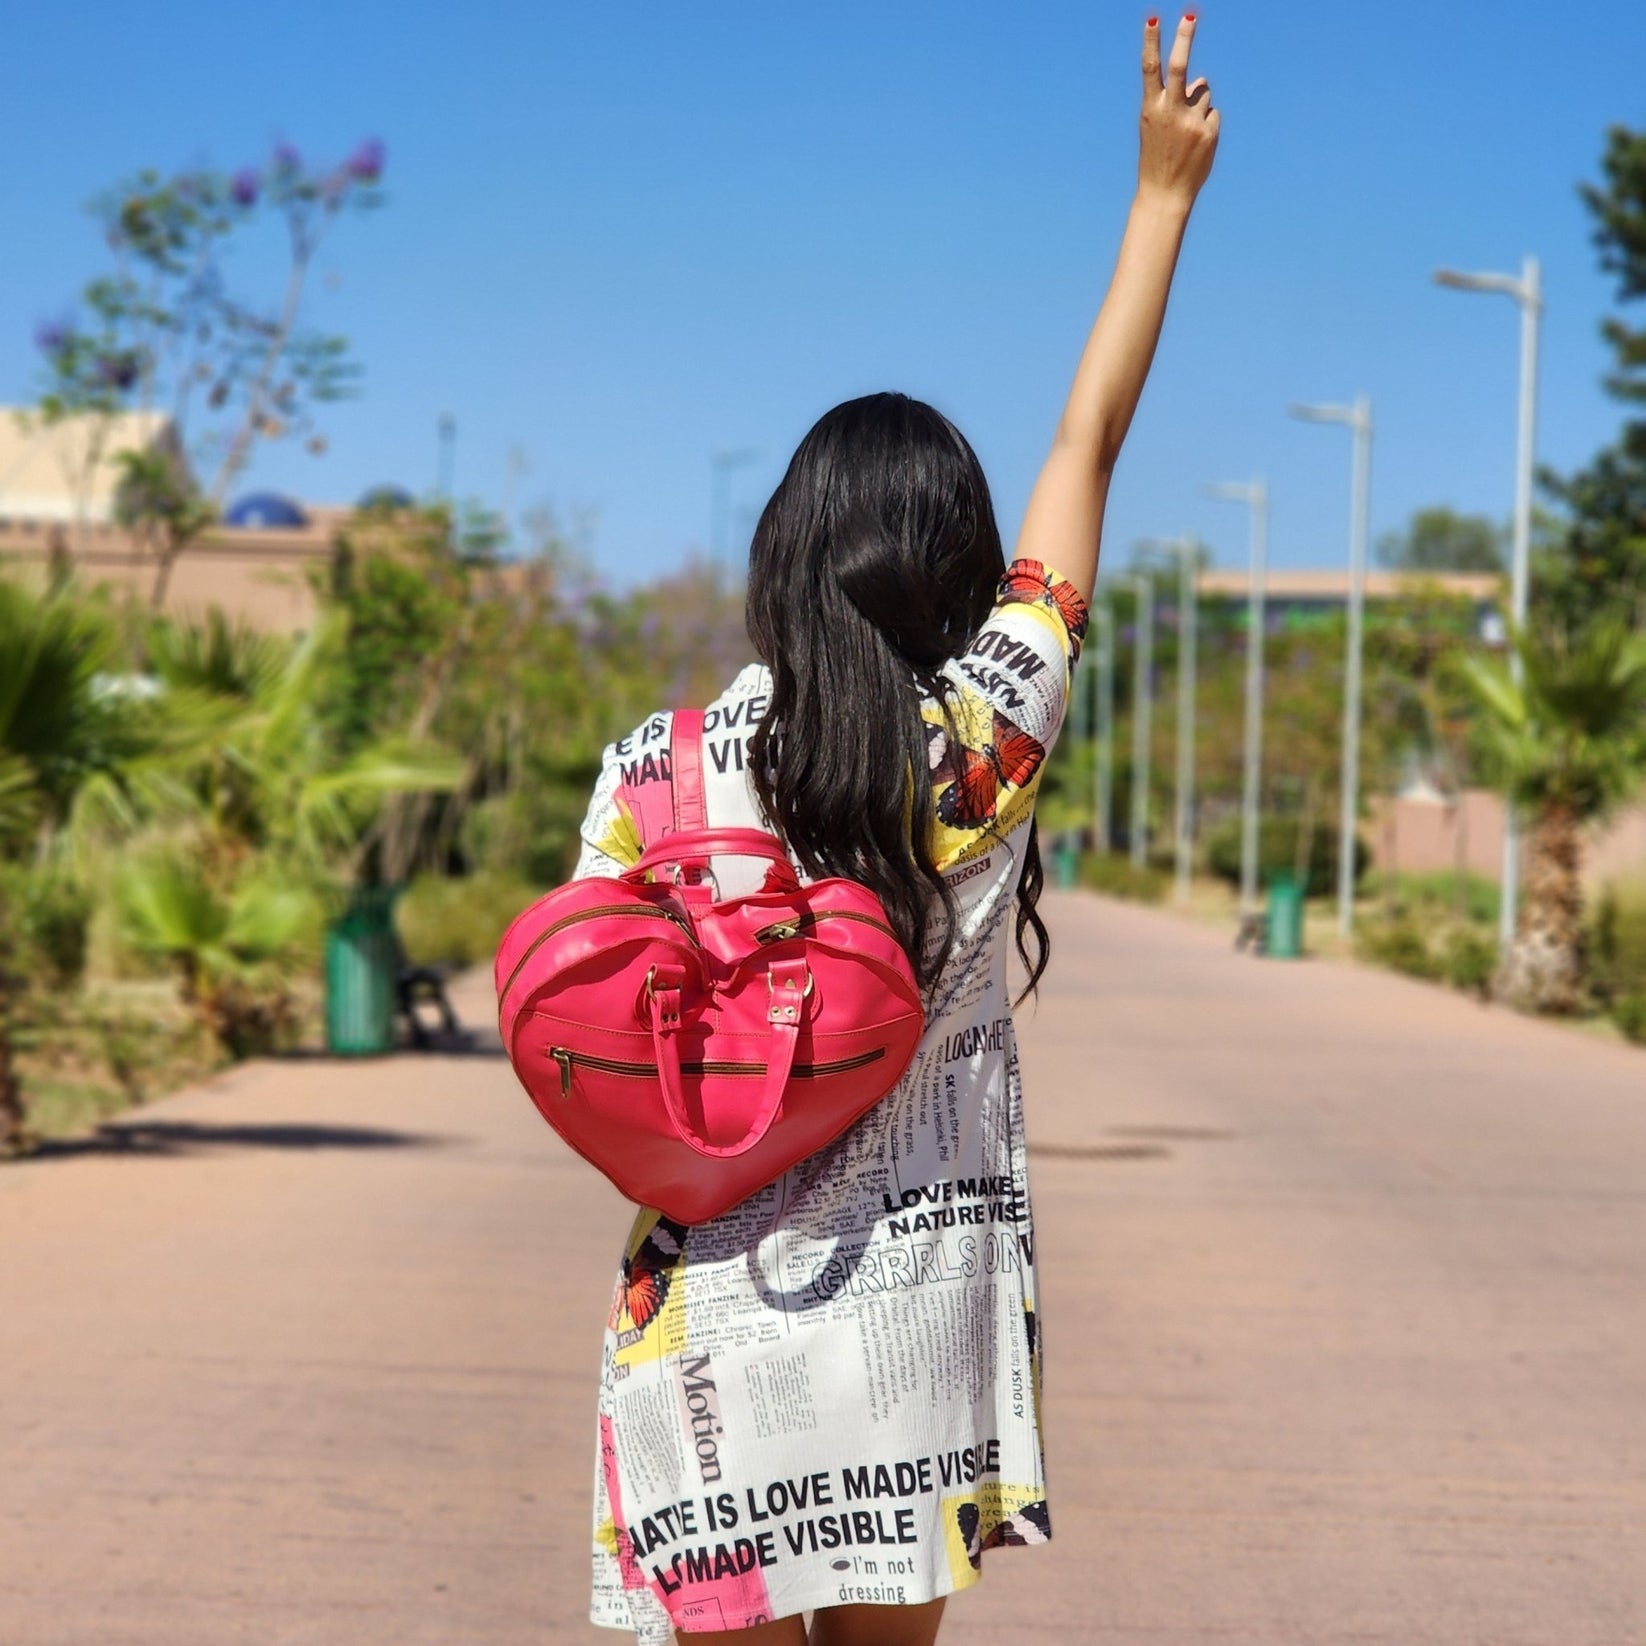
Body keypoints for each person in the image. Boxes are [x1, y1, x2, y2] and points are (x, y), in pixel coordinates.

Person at [573, 15, 1219, 1644]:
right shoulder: (984, 736)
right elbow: (1088, 445)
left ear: (782, 556)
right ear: (958, 571)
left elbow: (592, 1011)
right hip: (909, 1333)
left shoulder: (654, 769)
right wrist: (1158, 199)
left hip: (701, 1329)